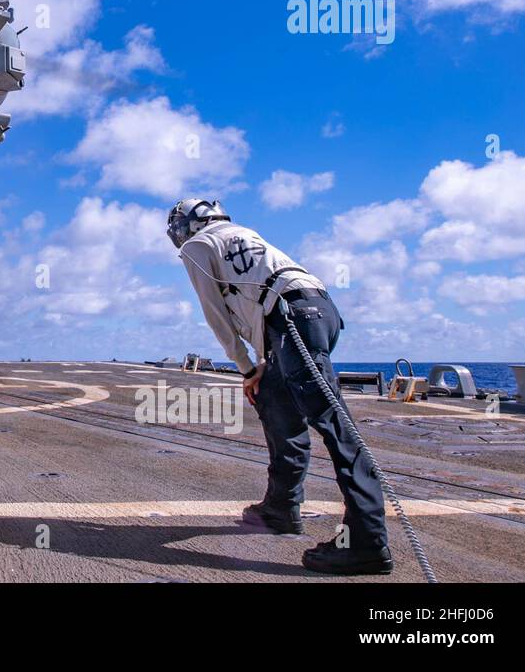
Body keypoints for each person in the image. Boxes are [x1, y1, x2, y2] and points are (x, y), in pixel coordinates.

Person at [168, 198, 393, 575]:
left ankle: (366, 541)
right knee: (275, 401)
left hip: (291, 318)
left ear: (188, 225)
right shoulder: (243, 234)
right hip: (314, 311)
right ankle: (281, 508)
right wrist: (263, 365)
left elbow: (215, 313)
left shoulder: (198, 246)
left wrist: (245, 368)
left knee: (336, 427)